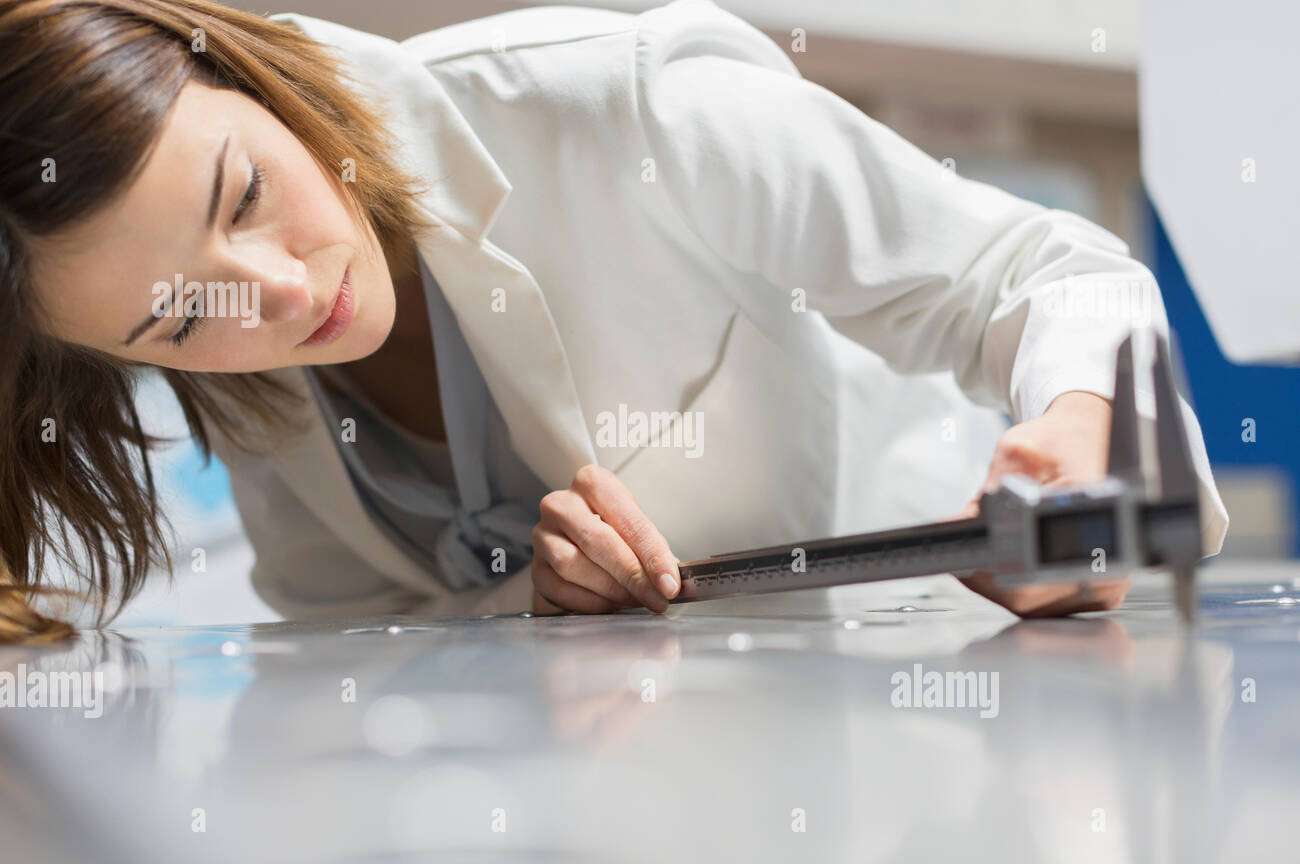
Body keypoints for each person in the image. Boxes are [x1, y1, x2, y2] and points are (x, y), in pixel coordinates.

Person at [0, 0, 1228, 641]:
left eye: (246, 195)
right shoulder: (244, 376)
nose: (270, 295)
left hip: (916, 698)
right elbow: (365, 633)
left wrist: (1083, 437)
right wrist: (536, 609)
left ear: (251, 76)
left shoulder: (621, 107)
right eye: (174, 322)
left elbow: (1046, 271)